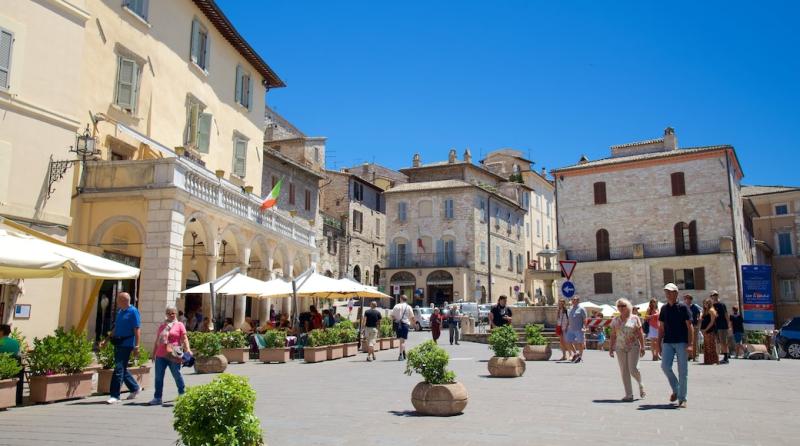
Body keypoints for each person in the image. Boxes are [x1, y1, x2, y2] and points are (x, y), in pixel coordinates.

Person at [658, 283, 694, 408]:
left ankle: (682, 398)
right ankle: (676, 389)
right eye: (666, 292)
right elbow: (661, 327)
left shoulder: (683, 307)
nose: (667, 294)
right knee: (665, 366)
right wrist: (659, 343)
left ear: (676, 293)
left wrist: (690, 344)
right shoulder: (664, 308)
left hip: (681, 342)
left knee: (683, 371)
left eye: (670, 291)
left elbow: (690, 327)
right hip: (668, 341)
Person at [149, 306, 192, 406]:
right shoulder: (162, 326)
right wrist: (153, 353)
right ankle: (157, 397)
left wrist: (188, 349)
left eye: (173, 313)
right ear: (166, 314)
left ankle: (182, 393)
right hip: (161, 354)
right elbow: (157, 341)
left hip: (174, 354)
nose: (171, 315)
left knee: (177, 374)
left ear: (176, 314)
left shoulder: (179, 325)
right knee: (158, 377)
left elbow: (184, 339)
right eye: (169, 313)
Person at [107, 292, 141, 404]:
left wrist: (137, 345)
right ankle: (135, 387)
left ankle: (115, 395)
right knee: (122, 368)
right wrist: (106, 340)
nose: (116, 301)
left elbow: (137, 329)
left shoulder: (133, 311)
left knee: (118, 368)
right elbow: (116, 328)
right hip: (118, 342)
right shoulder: (120, 312)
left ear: (124, 300)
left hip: (127, 343)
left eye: (118, 299)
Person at [609, 298, 646, 402]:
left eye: (623, 306)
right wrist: (611, 348)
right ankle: (629, 394)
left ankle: (640, 383)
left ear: (628, 306)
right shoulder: (615, 320)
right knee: (624, 370)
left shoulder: (635, 318)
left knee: (633, 369)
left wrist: (643, 346)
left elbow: (640, 333)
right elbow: (612, 335)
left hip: (633, 346)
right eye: (619, 306)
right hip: (620, 347)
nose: (621, 308)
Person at [0, 324, 23, 405]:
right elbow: (19, 355)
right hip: (14, 368)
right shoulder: (15, 342)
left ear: (2, 332)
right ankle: (18, 399)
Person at [391, 295, 415, 361]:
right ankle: (401, 355)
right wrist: (413, 324)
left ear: (400, 299)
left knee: (401, 340)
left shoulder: (396, 306)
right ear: (406, 300)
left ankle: (404, 353)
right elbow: (412, 317)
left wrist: (397, 320)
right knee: (402, 341)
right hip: (405, 324)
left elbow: (392, 316)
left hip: (398, 324)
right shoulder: (408, 307)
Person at [565, 296, 587, 363]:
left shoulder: (581, 309)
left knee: (580, 343)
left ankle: (580, 356)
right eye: (573, 300)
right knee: (568, 341)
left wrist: (584, 327)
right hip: (570, 328)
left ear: (578, 301)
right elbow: (569, 319)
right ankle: (575, 353)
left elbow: (585, 319)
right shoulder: (570, 309)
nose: (573, 301)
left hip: (579, 328)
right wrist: (566, 326)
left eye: (575, 300)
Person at [711, 291, 730, 364]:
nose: (714, 296)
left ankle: (726, 357)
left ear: (718, 296)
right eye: (713, 295)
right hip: (716, 326)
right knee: (718, 342)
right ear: (711, 296)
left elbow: (726, 314)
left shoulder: (722, 305)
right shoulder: (712, 305)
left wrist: (728, 324)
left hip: (722, 325)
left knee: (723, 342)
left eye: (716, 295)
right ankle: (718, 356)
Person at [700, 299, 718, 365]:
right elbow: (702, 318)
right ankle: (708, 360)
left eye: (707, 303)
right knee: (707, 345)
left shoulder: (711, 310)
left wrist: (706, 329)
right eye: (704, 303)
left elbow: (712, 322)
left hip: (710, 330)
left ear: (710, 303)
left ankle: (713, 360)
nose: (705, 304)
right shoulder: (705, 311)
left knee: (711, 345)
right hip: (705, 330)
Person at [684, 295, 702, 361]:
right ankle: (689, 355)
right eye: (686, 299)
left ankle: (696, 356)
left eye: (689, 299)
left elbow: (699, 314)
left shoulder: (695, 307)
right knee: (687, 341)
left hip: (694, 325)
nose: (688, 300)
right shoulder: (684, 307)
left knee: (694, 341)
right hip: (686, 326)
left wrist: (698, 322)